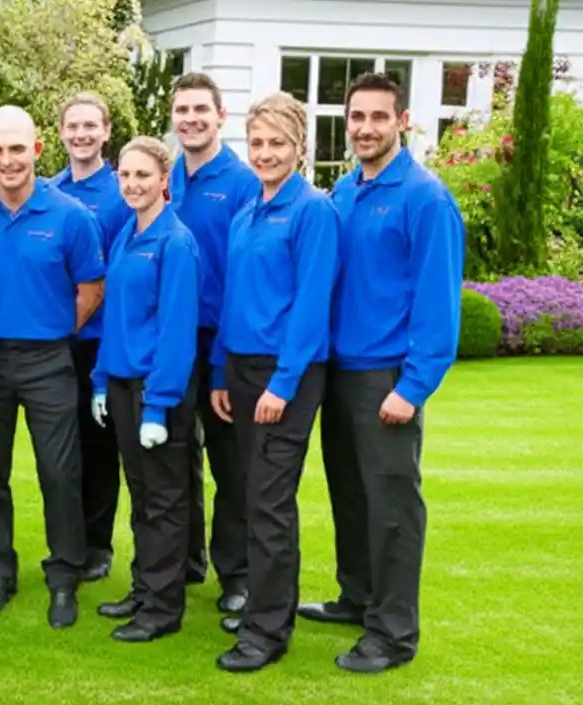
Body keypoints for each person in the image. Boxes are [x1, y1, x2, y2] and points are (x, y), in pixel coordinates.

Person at [299, 72, 464, 673]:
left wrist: (413, 386)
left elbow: (437, 301)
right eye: (356, 117)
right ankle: (357, 596)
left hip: (387, 378)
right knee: (350, 494)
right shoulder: (343, 192)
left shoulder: (425, 198)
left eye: (377, 117)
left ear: (401, 121)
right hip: (339, 371)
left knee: (393, 506)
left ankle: (393, 634)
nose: (365, 128)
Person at [0, 105, 106, 629]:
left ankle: (64, 576)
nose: (8, 160)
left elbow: (91, 289)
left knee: (60, 473)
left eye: (18, 149)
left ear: (38, 150)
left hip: (48, 359)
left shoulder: (70, 216)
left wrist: (56, 326)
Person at [209, 91, 339, 672]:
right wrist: (219, 370)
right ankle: (266, 603)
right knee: (247, 494)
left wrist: (283, 384)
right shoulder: (245, 214)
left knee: (269, 502)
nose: (265, 153)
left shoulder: (313, 211)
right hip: (238, 370)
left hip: (285, 374)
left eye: (277, 143)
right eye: (257, 143)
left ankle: (266, 632)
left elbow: (312, 305)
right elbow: (233, 299)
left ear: (299, 147)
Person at [89, 136, 200, 642]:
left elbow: (176, 330)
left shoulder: (175, 242)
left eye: (143, 176)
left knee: (165, 499)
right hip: (123, 383)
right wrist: (99, 379)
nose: (133, 184)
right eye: (126, 176)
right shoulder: (126, 235)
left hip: (159, 392)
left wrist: (158, 405)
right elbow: (115, 318)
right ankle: (143, 587)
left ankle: (162, 607)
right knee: (142, 494)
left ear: (164, 181)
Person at [167, 72, 259, 613]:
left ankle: (239, 574)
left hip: (222, 340)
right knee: (176, 456)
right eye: (182, 110)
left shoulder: (242, 182)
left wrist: (223, 363)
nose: (191, 118)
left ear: (220, 115)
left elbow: (242, 279)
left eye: (201, 109)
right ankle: (183, 560)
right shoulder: (167, 176)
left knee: (231, 462)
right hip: (173, 340)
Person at [48, 91, 129, 583]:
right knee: (64, 446)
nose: (81, 134)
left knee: (100, 445)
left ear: (106, 131)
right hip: (57, 339)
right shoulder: (50, 189)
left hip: (100, 340)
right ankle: (69, 542)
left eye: (90, 126)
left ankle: (97, 544)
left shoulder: (121, 192)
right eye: (72, 125)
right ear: (60, 132)